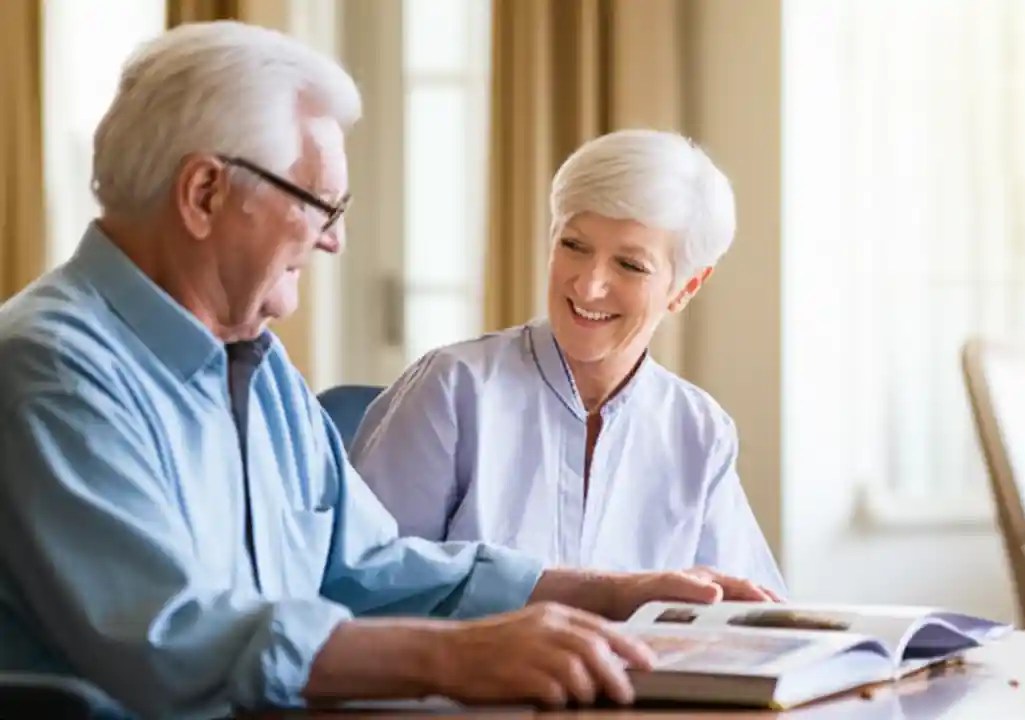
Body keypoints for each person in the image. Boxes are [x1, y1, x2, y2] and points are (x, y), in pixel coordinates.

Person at [0, 22, 770, 719]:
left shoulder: (260, 371)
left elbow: (366, 564)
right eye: (318, 205)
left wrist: (605, 594)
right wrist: (454, 656)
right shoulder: (51, 369)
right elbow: (167, 637)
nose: (333, 241)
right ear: (204, 193)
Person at [350, 130, 786, 595]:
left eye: (630, 265)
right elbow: (364, 583)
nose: (589, 285)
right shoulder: (454, 388)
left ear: (685, 288)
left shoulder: (700, 430)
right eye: (574, 246)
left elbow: (751, 613)